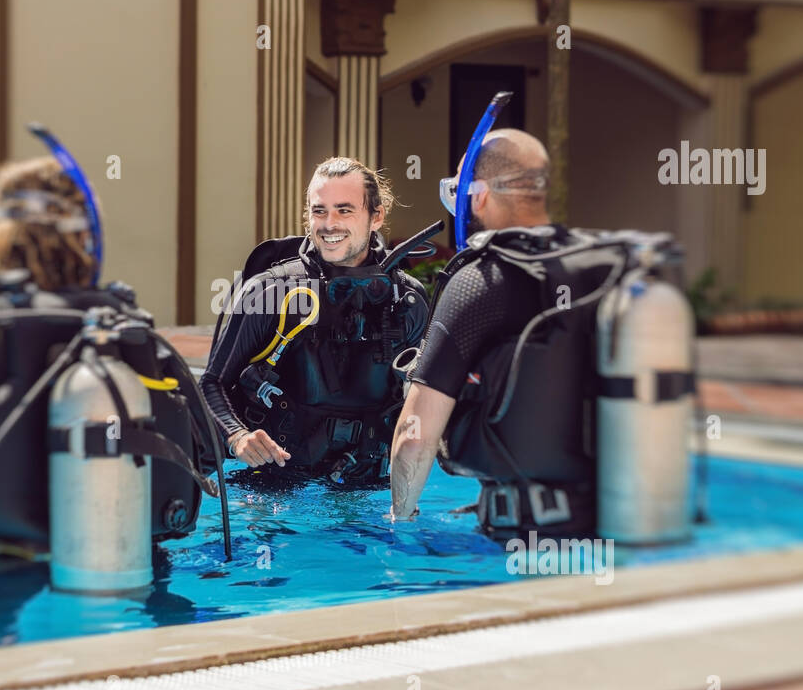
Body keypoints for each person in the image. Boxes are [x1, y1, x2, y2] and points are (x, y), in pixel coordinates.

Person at [0, 147, 223, 555]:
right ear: (88, 237)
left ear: (3, 233)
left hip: (10, 574)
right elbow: (208, 454)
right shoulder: (128, 329)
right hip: (130, 563)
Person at [389, 129, 623, 537]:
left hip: (522, 539)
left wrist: (400, 519)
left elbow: (414, 435)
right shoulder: (601, 267)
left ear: (478, 195)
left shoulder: (479, 281)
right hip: (613, 523)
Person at [200, 157, 432, 485]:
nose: (329, 224)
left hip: (364, 491)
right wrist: (238, 437)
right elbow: (211, 384)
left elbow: (429, 397)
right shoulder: (272, 291)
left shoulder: (406, 300)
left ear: (376, 216)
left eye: (344, 210)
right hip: (275, 489)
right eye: (319, 210)